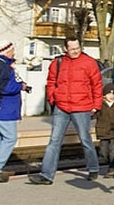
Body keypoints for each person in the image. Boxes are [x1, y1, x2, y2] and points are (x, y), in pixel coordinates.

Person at [29, 37, 102, 184]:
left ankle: (93, 167)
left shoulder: (89, 63)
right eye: (72, 49)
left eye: (77, 48)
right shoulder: (57, 63)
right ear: (65, 49)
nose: (76, 51)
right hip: (61, 106)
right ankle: (47, 175)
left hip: (82, 107)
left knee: (85, 139)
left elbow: (97, 85)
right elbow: (51, 82)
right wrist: (52, 98)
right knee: (54, 141)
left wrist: (96, 105)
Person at [0, 40, 30, 182]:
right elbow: (2, 87)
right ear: (6, 51)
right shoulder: (2, 66)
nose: (14, 52)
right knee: (10, 138)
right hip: (4, 108)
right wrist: (20, 86)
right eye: (12, 50)